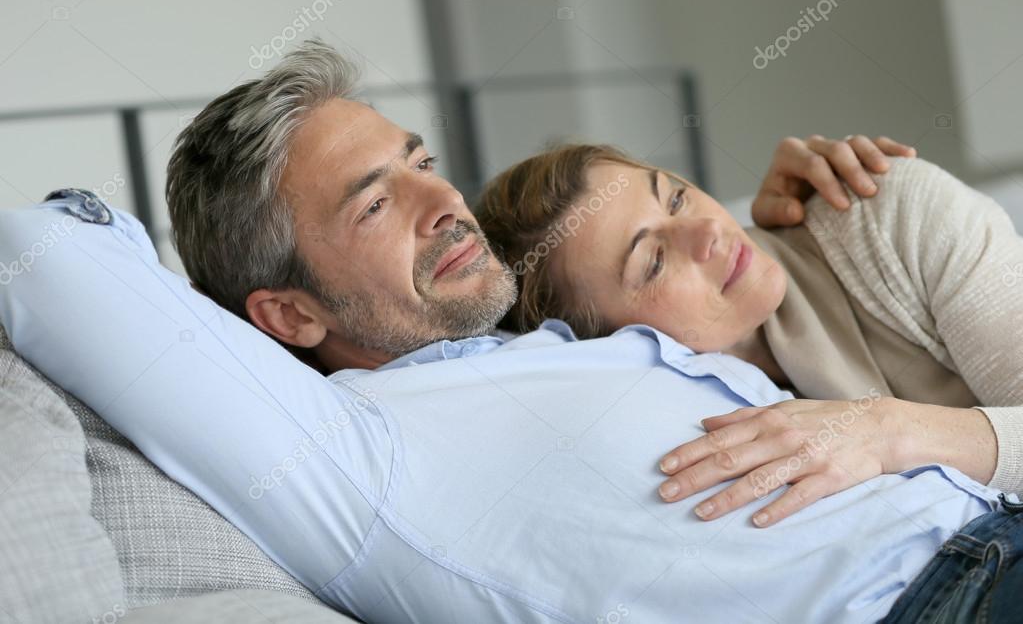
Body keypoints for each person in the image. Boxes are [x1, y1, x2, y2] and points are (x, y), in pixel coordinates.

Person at [0, 39, 1019, 623]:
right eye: (371, 203)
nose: (439, 199)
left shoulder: (549, 340)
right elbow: (37, 256)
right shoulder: (349, 448)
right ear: (289, 314)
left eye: (419, 159)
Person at [476, 142, 1023, 527]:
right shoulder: (662, 427)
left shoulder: (889, 211)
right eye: (656, 260)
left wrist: (888, 430)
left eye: (675, 196)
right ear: (617, 346)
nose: (709, 231)